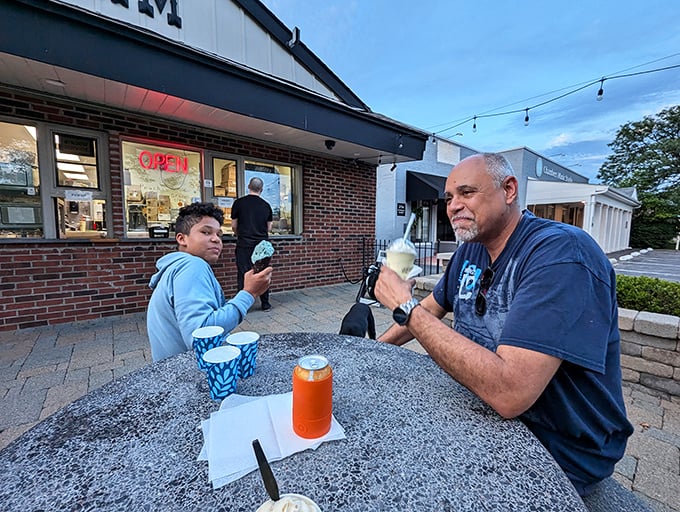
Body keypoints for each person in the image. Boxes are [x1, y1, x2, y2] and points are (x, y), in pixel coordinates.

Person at [374, 153, 634, 498]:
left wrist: (404, 306)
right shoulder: (471, 251)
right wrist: (371, 350)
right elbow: (430, 308)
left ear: (509, 190)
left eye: (467, 192)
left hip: (559, 448)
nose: (453, 206)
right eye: (450, 197)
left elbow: (511, 393)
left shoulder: (561, 254)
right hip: (482, 415)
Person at [147, 202, 272, 362]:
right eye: (206, 232)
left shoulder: (176, 268)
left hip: (170, 371)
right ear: (181, 238)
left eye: (219, 234)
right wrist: (249, 293)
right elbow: (200, 335)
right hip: (186, 375)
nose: (216, 239)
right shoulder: (192, 266)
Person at [231, 177, 274, 311]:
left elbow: (233, 226)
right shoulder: (266, 205)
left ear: (248, 186)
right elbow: (269, 227)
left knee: (243, 273)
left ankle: (244, 305)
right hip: (261, 246)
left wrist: (240, 233)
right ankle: (265, 303)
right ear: (261, 189)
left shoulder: (238, 203)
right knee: (262, 273)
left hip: (244, 243)